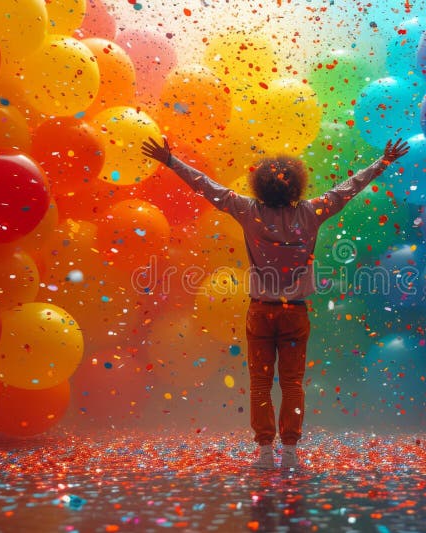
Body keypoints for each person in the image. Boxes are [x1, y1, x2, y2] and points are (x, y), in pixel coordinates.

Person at [141, 137, 410, 470]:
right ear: (296, 185)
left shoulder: (247, 211)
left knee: (260, 383)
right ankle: (291, 453)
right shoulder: (312, 212)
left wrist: (170, 160)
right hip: (294, 314)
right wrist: (382, 162)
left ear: (261, 186)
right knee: (293, 383)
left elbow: (205, 186)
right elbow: (349, 188)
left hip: (261, 312)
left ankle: (266, 452)